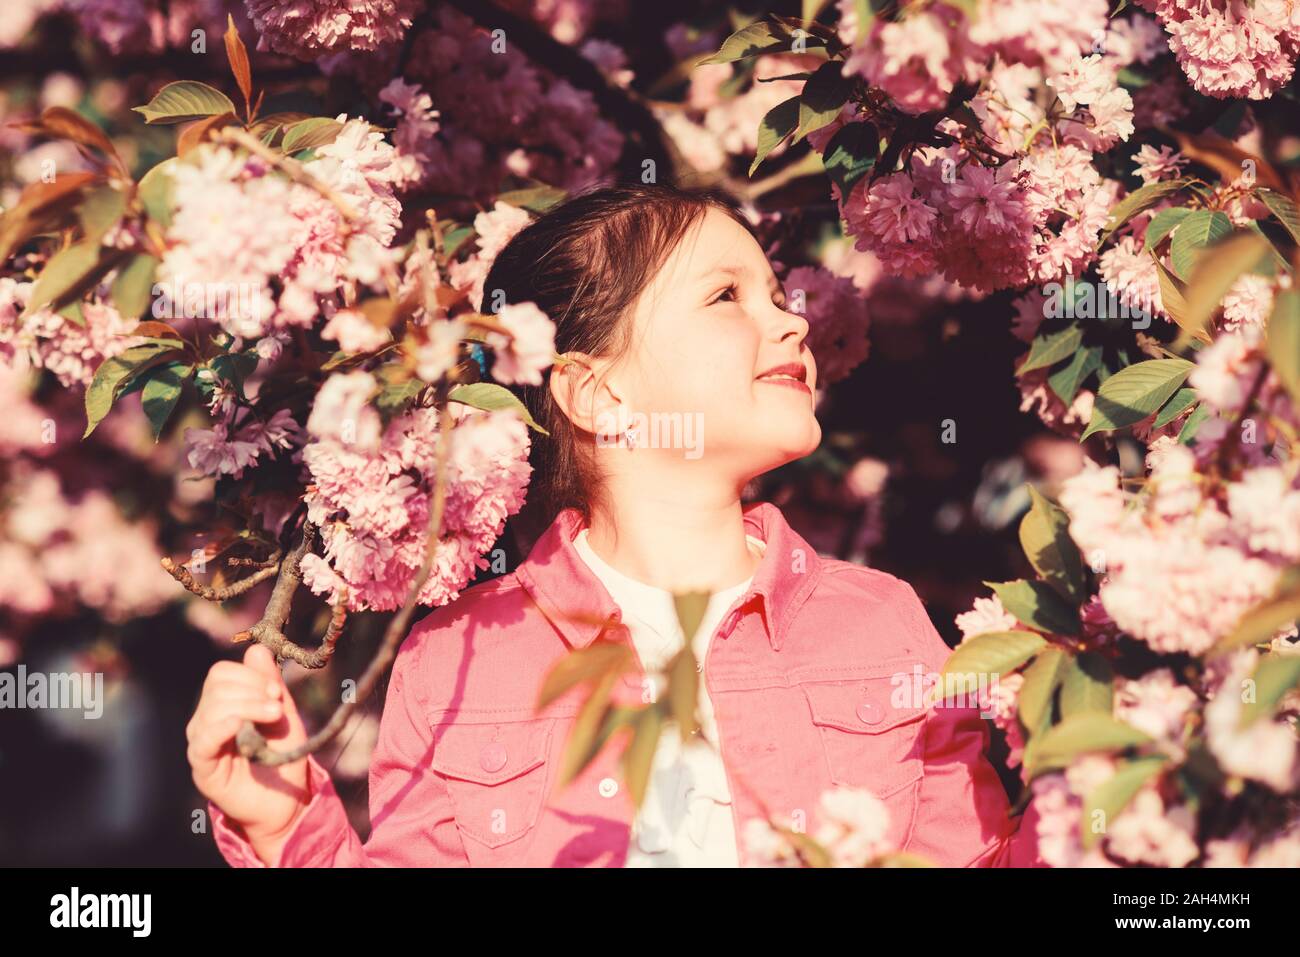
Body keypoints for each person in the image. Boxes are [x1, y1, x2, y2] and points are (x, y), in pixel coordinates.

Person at [187, 183, 1043, 867]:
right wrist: (285, 823)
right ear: (599, 393)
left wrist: (1114, 771)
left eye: (777, 294)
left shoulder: (880, 620)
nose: (792, 321)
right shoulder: (459, 657)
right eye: (726, 296)